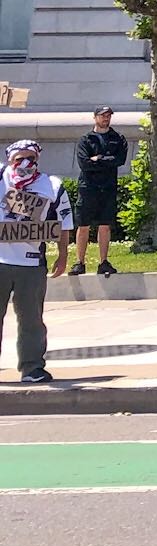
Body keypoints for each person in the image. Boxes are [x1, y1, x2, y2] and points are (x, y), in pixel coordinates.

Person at [1, 139, 70, 384]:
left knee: (31, 320)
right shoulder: (0, 178)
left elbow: (63, 224)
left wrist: (63, 255)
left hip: (31, 264)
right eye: (19, 158)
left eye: (30, 157)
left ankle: (32, 368)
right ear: (10, 159)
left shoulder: (52, 185)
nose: (25, 163)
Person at [69, 105, 126, 277]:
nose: (106, 118)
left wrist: (99, 158)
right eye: (102, 116)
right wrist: (106, 160)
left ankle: (103, 261)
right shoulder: (86, 140)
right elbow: (84, 163)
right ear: (95, 117)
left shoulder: (117, 138)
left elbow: (120, 160)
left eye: (108, 116)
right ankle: (80, 262)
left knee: (105, 225)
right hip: (88, 187)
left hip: (107, 187)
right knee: (83, 225)